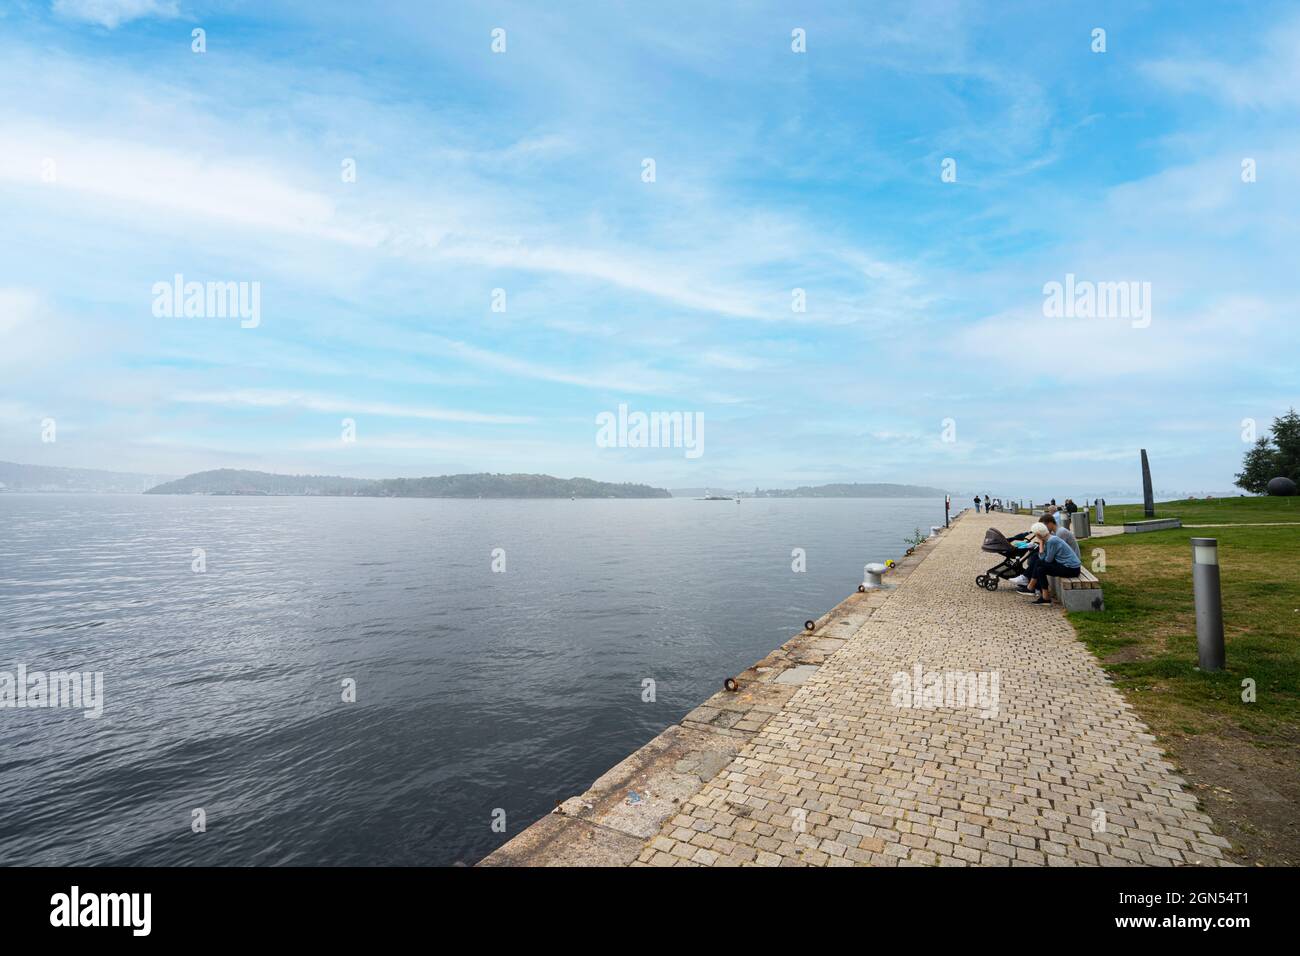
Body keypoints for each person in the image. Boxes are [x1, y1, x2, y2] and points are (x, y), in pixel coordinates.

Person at [1025, 520, 1080, 604]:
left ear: (1039, 535)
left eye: (1035, 534)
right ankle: (1045, 597)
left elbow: (1047, 560)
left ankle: (1032, 585)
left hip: (1071, 569)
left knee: (1039, 563)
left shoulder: (1052, 541)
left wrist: (1040, 544)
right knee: (1040, 568)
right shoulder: (1049, 539)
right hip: (1066, 566)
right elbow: (1043, 558)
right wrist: (1042, 545)